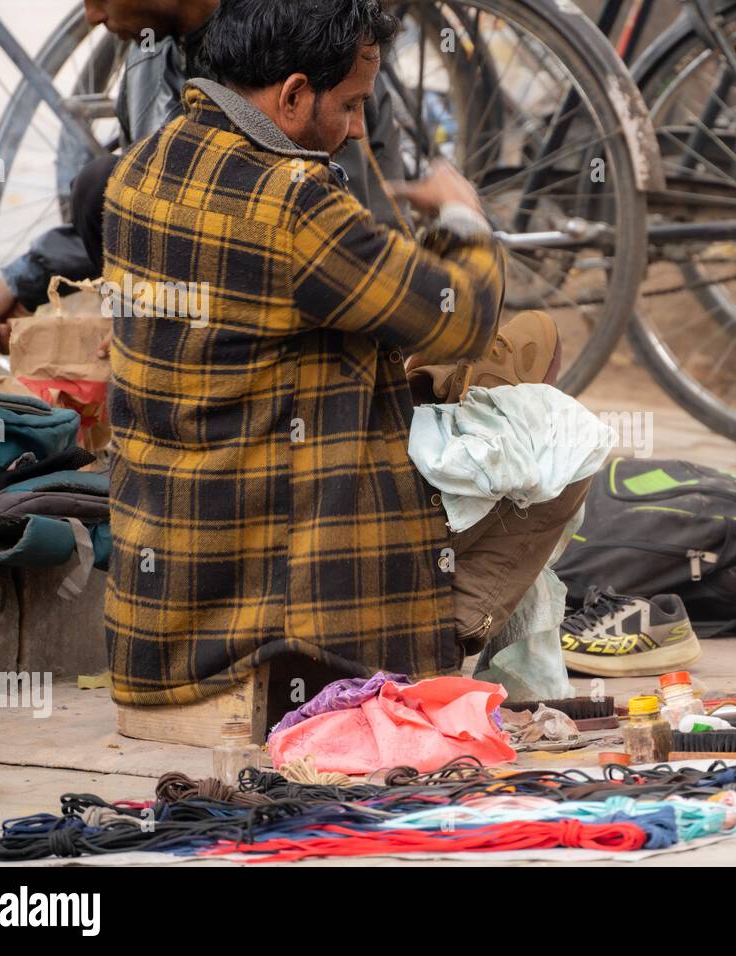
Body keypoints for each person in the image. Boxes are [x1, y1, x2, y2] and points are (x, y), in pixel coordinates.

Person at [103, 0, 585, 705]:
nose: (360, 130)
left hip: (156, 631)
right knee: (559, 434)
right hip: (282, 638)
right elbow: (463, 319)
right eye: (354, 106)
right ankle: (429, 656)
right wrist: (462, 216)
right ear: (294, 95)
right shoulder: (294, 204)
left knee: (518, 347)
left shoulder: (139, 170)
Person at [0, 0, 408, 354]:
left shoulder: (306, 44)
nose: (93, 16)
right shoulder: (146, 60)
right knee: (99, 184)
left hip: (302, 296)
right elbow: (143, 200)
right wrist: (31, 274)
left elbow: (348, 242)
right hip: (202, 301)